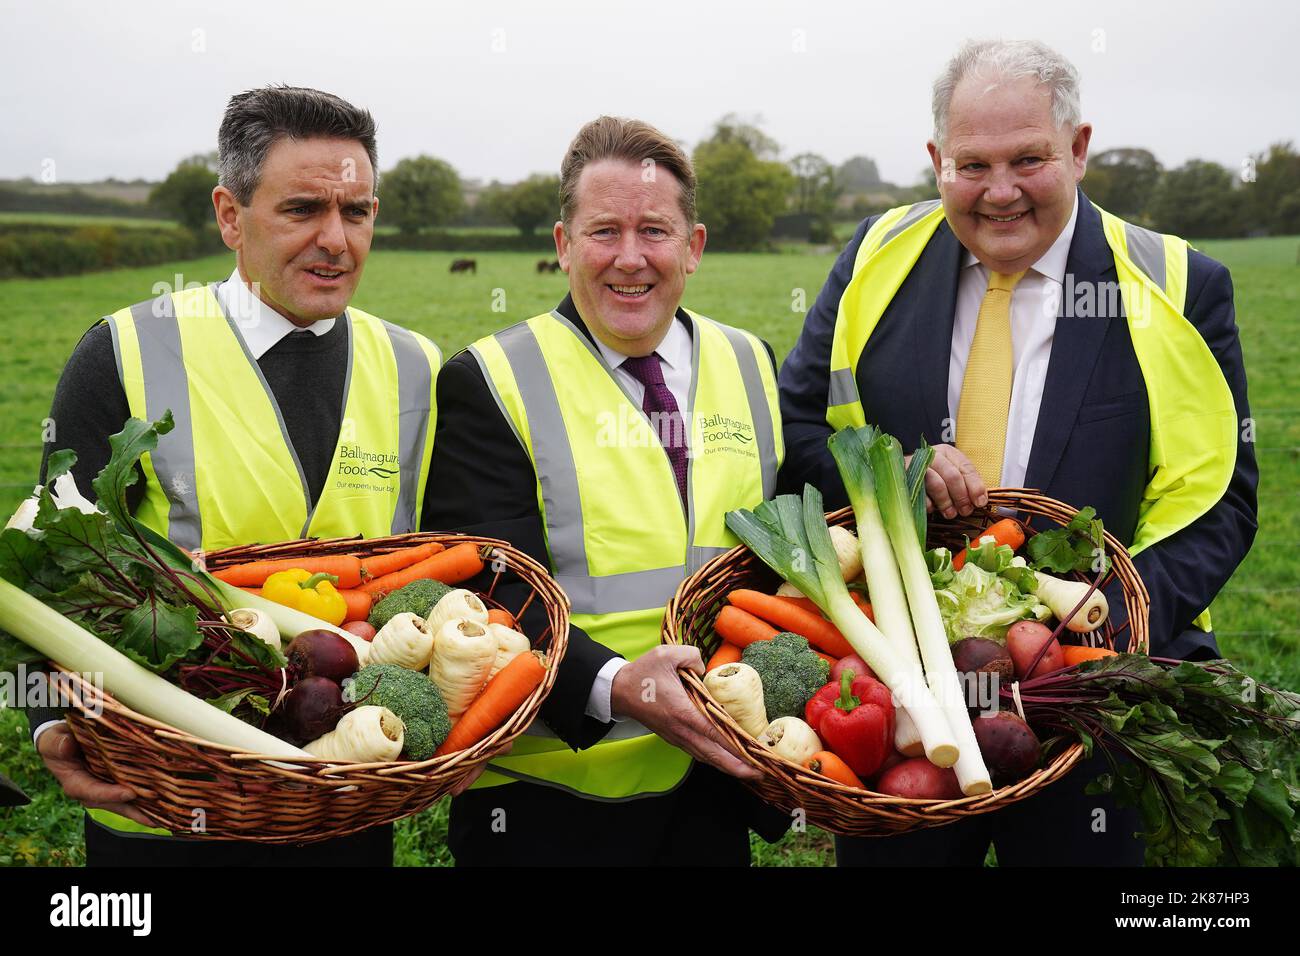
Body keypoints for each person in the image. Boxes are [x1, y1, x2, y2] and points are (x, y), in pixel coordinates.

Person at [778, 39, 1257, 866]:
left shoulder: (1180, 283)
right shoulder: (873, 257)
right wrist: (901, 473)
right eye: (972, 165)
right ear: (936, 161)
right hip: (907, 697)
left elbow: (1223, 501)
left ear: (1077, 148)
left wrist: (1097, 644)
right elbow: (800, 429)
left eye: (1028, 159)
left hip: (1090, 701)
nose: (1000, 192)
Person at [27, 85, 447, 865]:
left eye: (357, 212)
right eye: (302, 211)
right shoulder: (122, 352)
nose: (336, 239)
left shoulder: (418, 368)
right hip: (168, 796)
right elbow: (42, 562)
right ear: (230, 215)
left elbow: (447, 564)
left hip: (344, 791)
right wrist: (48, 723)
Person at [426, 116, 789, 865]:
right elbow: (494, 588)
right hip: (548, 797)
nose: (630, 258)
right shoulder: (492, 377)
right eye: (603, 232)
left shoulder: (753, 362)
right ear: (563, 246)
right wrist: (618, 686)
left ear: (694, 247)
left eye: (654, 230)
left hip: (715, 786)